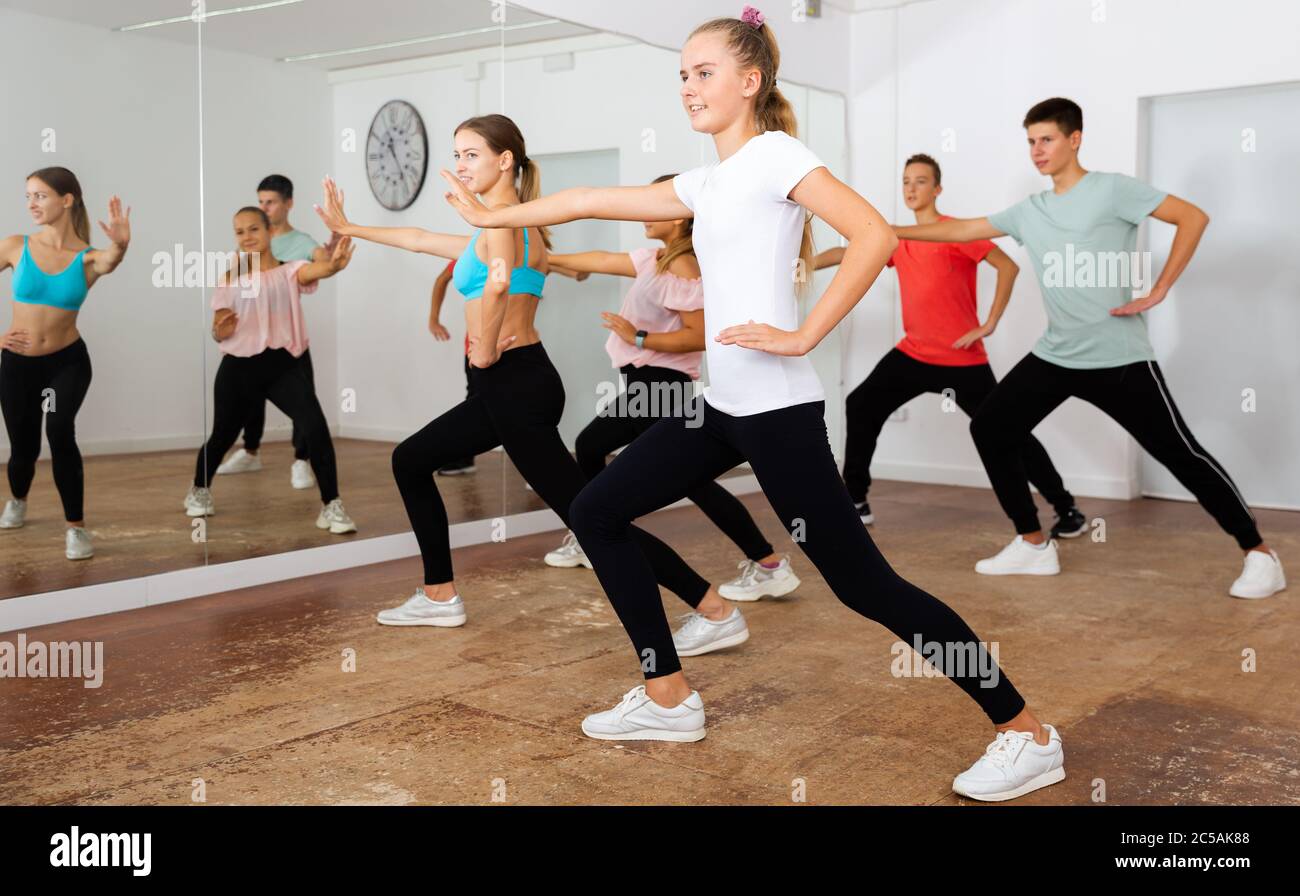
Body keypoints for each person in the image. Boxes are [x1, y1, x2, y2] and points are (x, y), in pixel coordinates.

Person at [439, 8, 1065, 802]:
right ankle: (667, 696)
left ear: (750, 81)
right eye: (681, 75)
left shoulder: (775, 154)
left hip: (776, 411)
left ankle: (1026, 731)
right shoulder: (707, 180)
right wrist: (495, 216)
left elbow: (873, 235)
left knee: (865, 587)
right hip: (721, 403)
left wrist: (804, 334)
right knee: (596, 511)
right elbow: (590, 196)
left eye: (703, 73)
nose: (688, 87)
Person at [315, 114, 744, 647]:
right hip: (513, 385)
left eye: (471, 154)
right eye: (457, 154)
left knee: (590, 516)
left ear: (504, 161)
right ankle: (439, 595)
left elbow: (496, 288)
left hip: (513, 384)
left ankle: (714, 607)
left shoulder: (506, 224)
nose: (460, 165)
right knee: (412, 459)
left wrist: (488, 347)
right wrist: (352, 227)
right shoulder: (504, 223)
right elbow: (421, 238)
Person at [894, 97, 1285, 599]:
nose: (1037, 150)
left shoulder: (1112, 190)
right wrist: (885, 231)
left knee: (1180, 453)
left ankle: (1259, 554)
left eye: (1047, 139)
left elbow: (1192, 217)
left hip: (1118, 358)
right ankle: (1033, 544)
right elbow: (960, 229)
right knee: (990, 425)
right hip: (1056, 356)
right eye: (1031, 141)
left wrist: (1161, 288)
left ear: (1074, 139)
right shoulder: (1031, 210)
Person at [542, 184, 803, 614]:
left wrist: (638, 335)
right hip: (646, 383)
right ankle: (768, 564)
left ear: (681, 217)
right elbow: (599, 261)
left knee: (605, 451)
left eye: (654, 207)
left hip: (660, 385)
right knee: (652, 467)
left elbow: (698, 336)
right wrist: (540, 259)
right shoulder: (653, 259)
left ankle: (767, 564)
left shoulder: (682, 265)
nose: (644, 213)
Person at [815, 153, 1082, 537]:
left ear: (937, 189)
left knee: (1008, 431)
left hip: (961, 360)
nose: (911, 188)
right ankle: (856, 499)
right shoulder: (899, 239)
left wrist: (989, 323)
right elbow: (847, 252)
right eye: (906, 181)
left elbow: (1008, 267)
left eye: (920, 181)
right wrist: (803, 262)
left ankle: (1066, 507)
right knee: (861, 405)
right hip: (913, 354)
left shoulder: (957, 232)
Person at [185, 207, 357, 535]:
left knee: (315, 428)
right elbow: (217, 330)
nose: (247, 237)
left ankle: (331, 505)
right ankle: (199, 488)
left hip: (282, 366)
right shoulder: (231, 278)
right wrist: (220, 329)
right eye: (240, 232)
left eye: (254, 229)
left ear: (268, 233)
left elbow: (320, 270)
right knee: (223, 435)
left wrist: (333, 264)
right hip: (238, 367)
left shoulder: (291, 272)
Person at [0, 167, 130, 560]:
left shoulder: (87, 258)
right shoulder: (14, 246)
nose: (31, 204)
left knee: (58, 429)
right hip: (18, 367)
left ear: (67, 200)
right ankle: (18, 498)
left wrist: (121, 246)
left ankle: (76, 528)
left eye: (40, 195)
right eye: (28, 196)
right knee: (23, 449)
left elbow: (109, 260)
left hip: (65, 365)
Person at [216, 174, 333, 489]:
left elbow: (323, 262)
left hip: (288, 336)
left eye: (271, 202)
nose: (264, 208)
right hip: (253, 336)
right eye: (261, 202)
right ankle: (250, 451)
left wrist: (331, 253)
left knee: (304, 402)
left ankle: (301, 461)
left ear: (288, 204)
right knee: (250, 396)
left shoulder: (300, 242)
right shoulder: (253, 237)